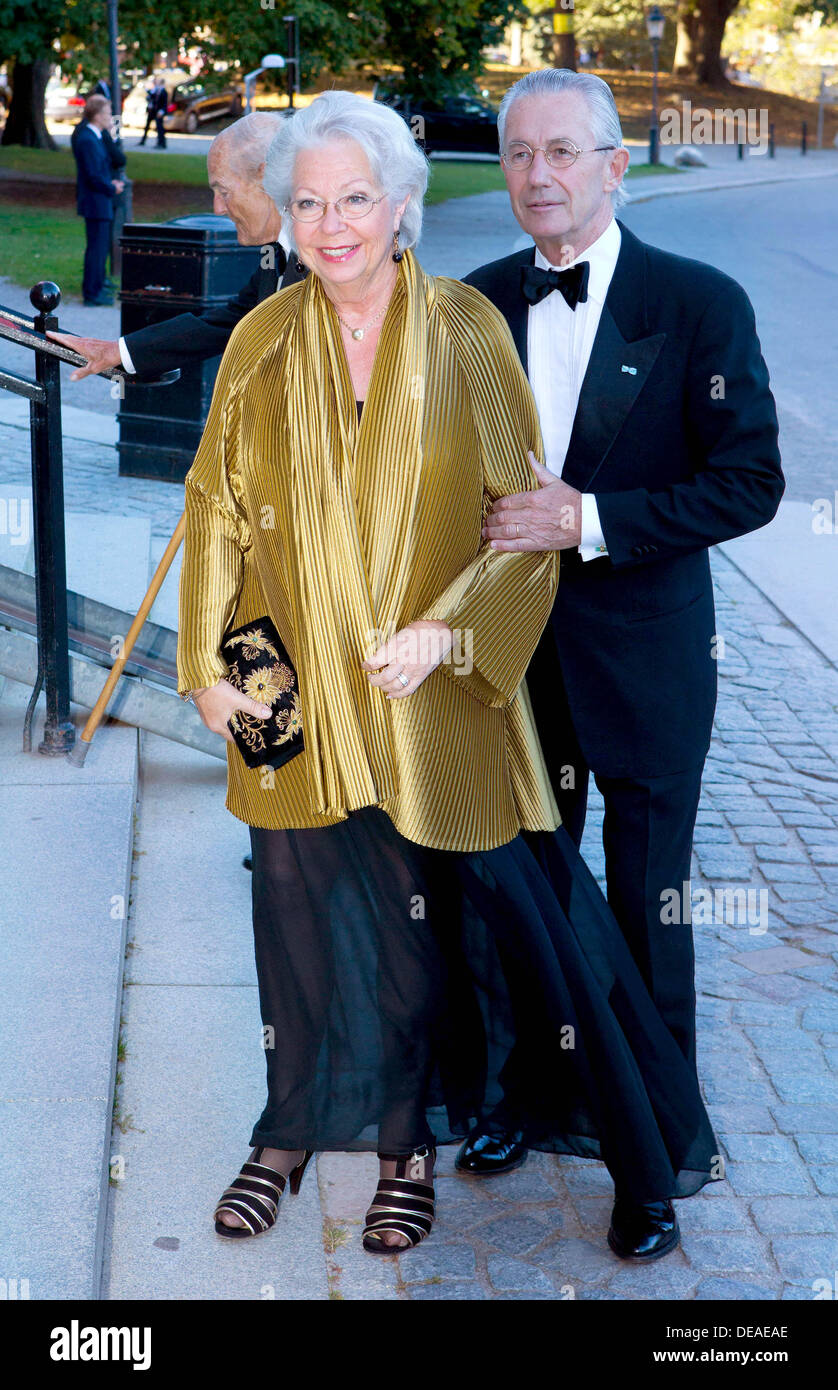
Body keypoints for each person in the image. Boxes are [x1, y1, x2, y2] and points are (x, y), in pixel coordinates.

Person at [176, 89, 720, 1259]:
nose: (329, 224)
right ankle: (300, 1132)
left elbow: (521, 528)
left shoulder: (468, 330)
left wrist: (449, 637)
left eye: (354, 199)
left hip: (443, 692)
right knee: (302, 919)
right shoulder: (262, 338)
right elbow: (215, 509)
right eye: (308, 201)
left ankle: (559, 1157)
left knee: (518, 925)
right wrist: (208, 669)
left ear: (402, 206)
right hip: (289, 686)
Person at [454, 68, 784, 1258]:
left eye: (560, 153)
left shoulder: (699, 301)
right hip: (504, 657)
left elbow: (748, 481)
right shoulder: (475, 302)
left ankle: (651, 1151)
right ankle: (521, 1100)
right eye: (517, 155)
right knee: (519, 895)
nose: (536, 176)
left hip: (643, 658)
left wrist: (585, 519)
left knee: (648, 905)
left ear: (612, 165)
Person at [48, 113, 305, 378]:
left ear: (266, 177)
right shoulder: (276, 251)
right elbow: (231, 320)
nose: (217, 208)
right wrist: (119, 352)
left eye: (224, 192)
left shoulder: (323, 255)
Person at [71, 94, 124, 307]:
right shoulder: (87, 139)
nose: (110, 116)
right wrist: (112, 187)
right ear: (97, 114)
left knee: (100, 247)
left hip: (99, 200)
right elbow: (93, 175)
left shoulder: (95, 136)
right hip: (95, 201)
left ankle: (97, 285)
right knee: (96, 248)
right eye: (107, 112)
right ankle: (92, 293)